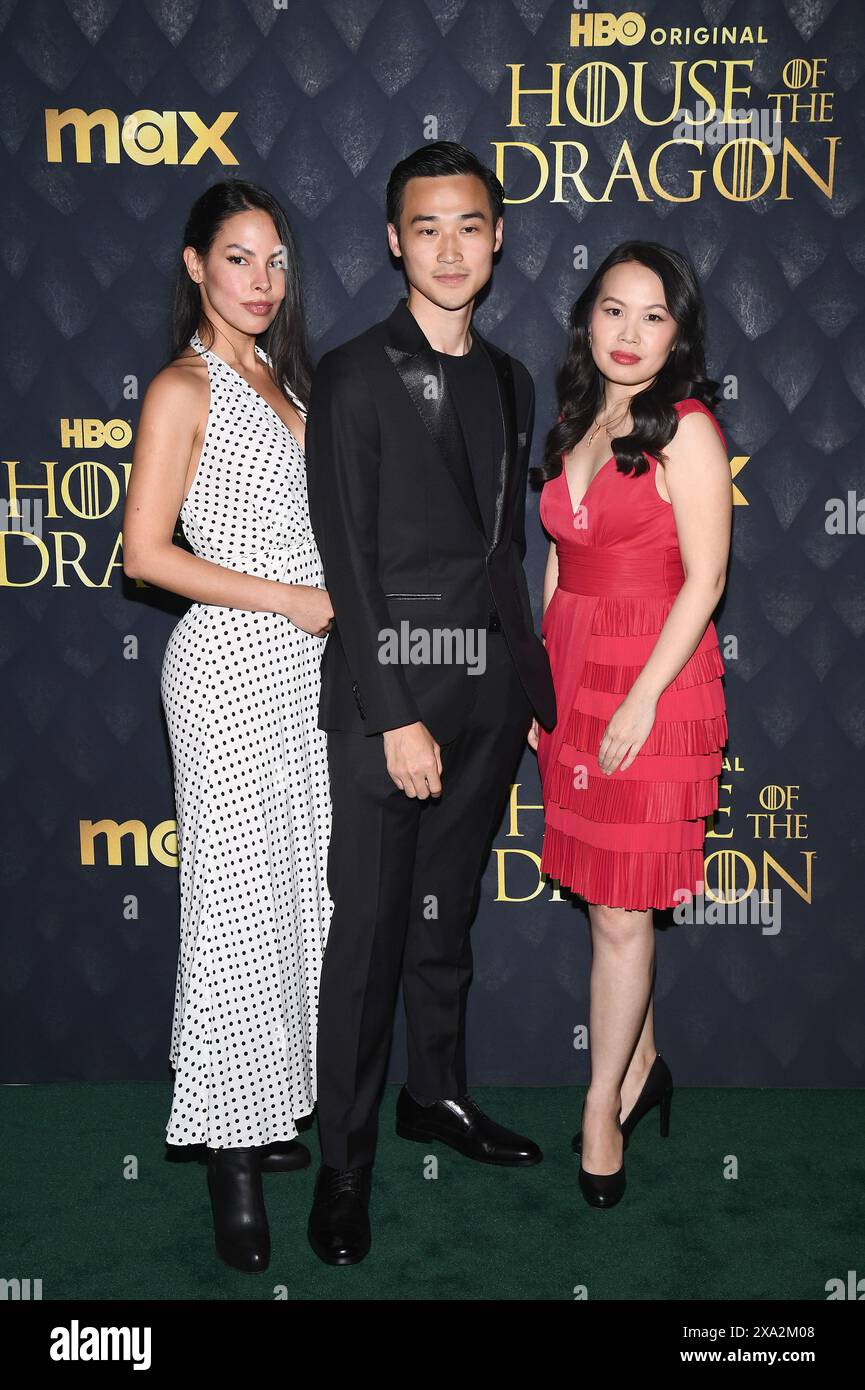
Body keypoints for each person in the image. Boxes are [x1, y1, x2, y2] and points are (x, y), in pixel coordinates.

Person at [303, 141, 556, 1265]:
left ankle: (436, 1096)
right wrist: (392, 710)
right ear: (393, 241)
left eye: (470, 226)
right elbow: (347, 564)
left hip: (489, 696)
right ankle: (345, 1167)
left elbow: (504, 551)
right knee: (365, 940)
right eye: (426, 228)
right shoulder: (354, 374)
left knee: (444, 922)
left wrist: (527, 686)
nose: (449, 248)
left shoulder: (511, 378)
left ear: (498, 238)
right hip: (389, 700)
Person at [122, 180, 334, 1272]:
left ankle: (268, 1109)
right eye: (238, 259)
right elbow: (145, 553)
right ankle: (227, 1158)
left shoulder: (285, 379)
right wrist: (288, 597)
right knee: (236, 914)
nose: (261, 280)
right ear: (197, 266)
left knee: (299, 897)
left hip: (306, 678)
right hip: (229, 668)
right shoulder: (181, 386)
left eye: (276, 260)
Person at [531, 241, 732, 1209]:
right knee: (606, 896)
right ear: (587, 318)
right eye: (613, 309)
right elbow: (560, 559)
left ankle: (600, 1103)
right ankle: (642, 1060)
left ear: (679, 332)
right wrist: (542, 680)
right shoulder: (577, 416)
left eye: (653, 316)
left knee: (620, 910)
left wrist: (643, 697)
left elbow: (707, 577)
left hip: (652, 676)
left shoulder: (685, 428)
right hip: (574, 671)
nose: (629, 332)